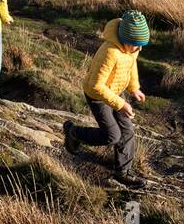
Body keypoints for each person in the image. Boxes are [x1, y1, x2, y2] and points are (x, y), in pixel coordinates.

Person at [63, 10, 150, 188]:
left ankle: (122, 172)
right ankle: (74, 132)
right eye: (136, 45)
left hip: (116, 92)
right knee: (112, 136)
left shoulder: (131, 48)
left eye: (141, 45)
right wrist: (121, 104)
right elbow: (96, 85)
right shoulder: (109, 52)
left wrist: (134, 88)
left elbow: (131, 66)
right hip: (98, 97)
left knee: (127, 132)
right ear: (125, 39)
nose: (139, 49)